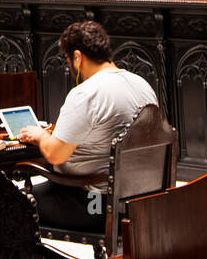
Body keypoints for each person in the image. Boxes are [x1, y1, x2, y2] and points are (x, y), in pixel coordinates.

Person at [17, 20, 158, 232]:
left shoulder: (87, 93)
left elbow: (56, 155)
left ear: (77, 57)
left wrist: (41, 136)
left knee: (9, 205)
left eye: (68, 60)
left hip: (94, 205)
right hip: (138, 203)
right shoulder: (142, 85)